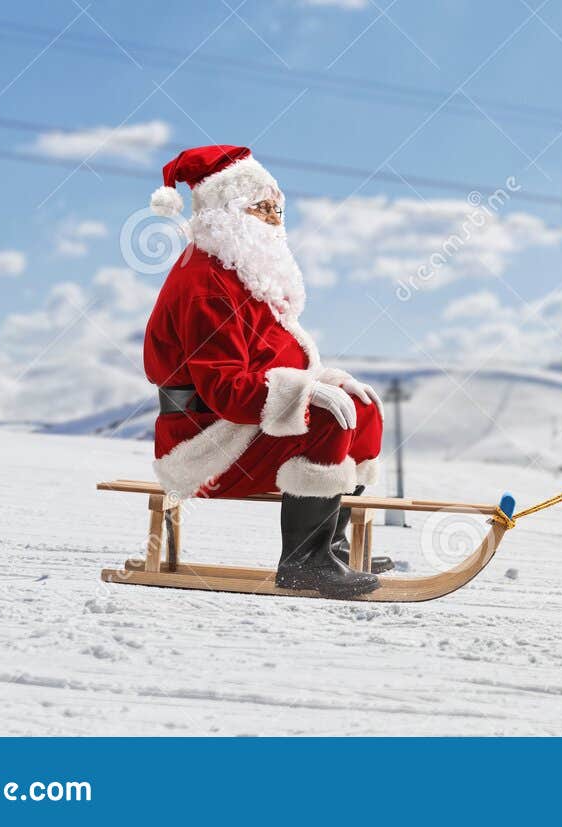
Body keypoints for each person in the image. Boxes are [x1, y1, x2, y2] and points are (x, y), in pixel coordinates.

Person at [143, 145, 388, 599]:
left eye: (279, 208)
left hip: (239, 428)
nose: (277, 220)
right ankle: (305, 563)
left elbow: (270, 363)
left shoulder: (241, 271)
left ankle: (330, 543)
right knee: (330, 420)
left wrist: (323, 382)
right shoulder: (205, 285)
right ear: (225, 213)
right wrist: (305, 395)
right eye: (263, 208)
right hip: (205, 443)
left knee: (363, 410)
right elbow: (225, 390)